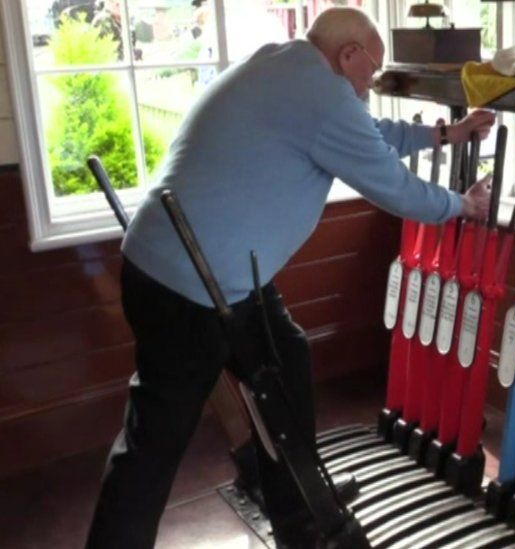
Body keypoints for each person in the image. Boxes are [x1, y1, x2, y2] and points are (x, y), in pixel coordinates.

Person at [85, 7, 494, 549]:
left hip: (211, 271)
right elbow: (393, 187)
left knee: (286, 365)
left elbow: (370, 133)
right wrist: (461, 205)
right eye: (371, 70)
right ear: (348, 55)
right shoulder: (319, 94)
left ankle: (300, 521)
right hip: (186, 282)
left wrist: (448, 134)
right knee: (155, 442)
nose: (371, 83)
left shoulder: (284, 66)